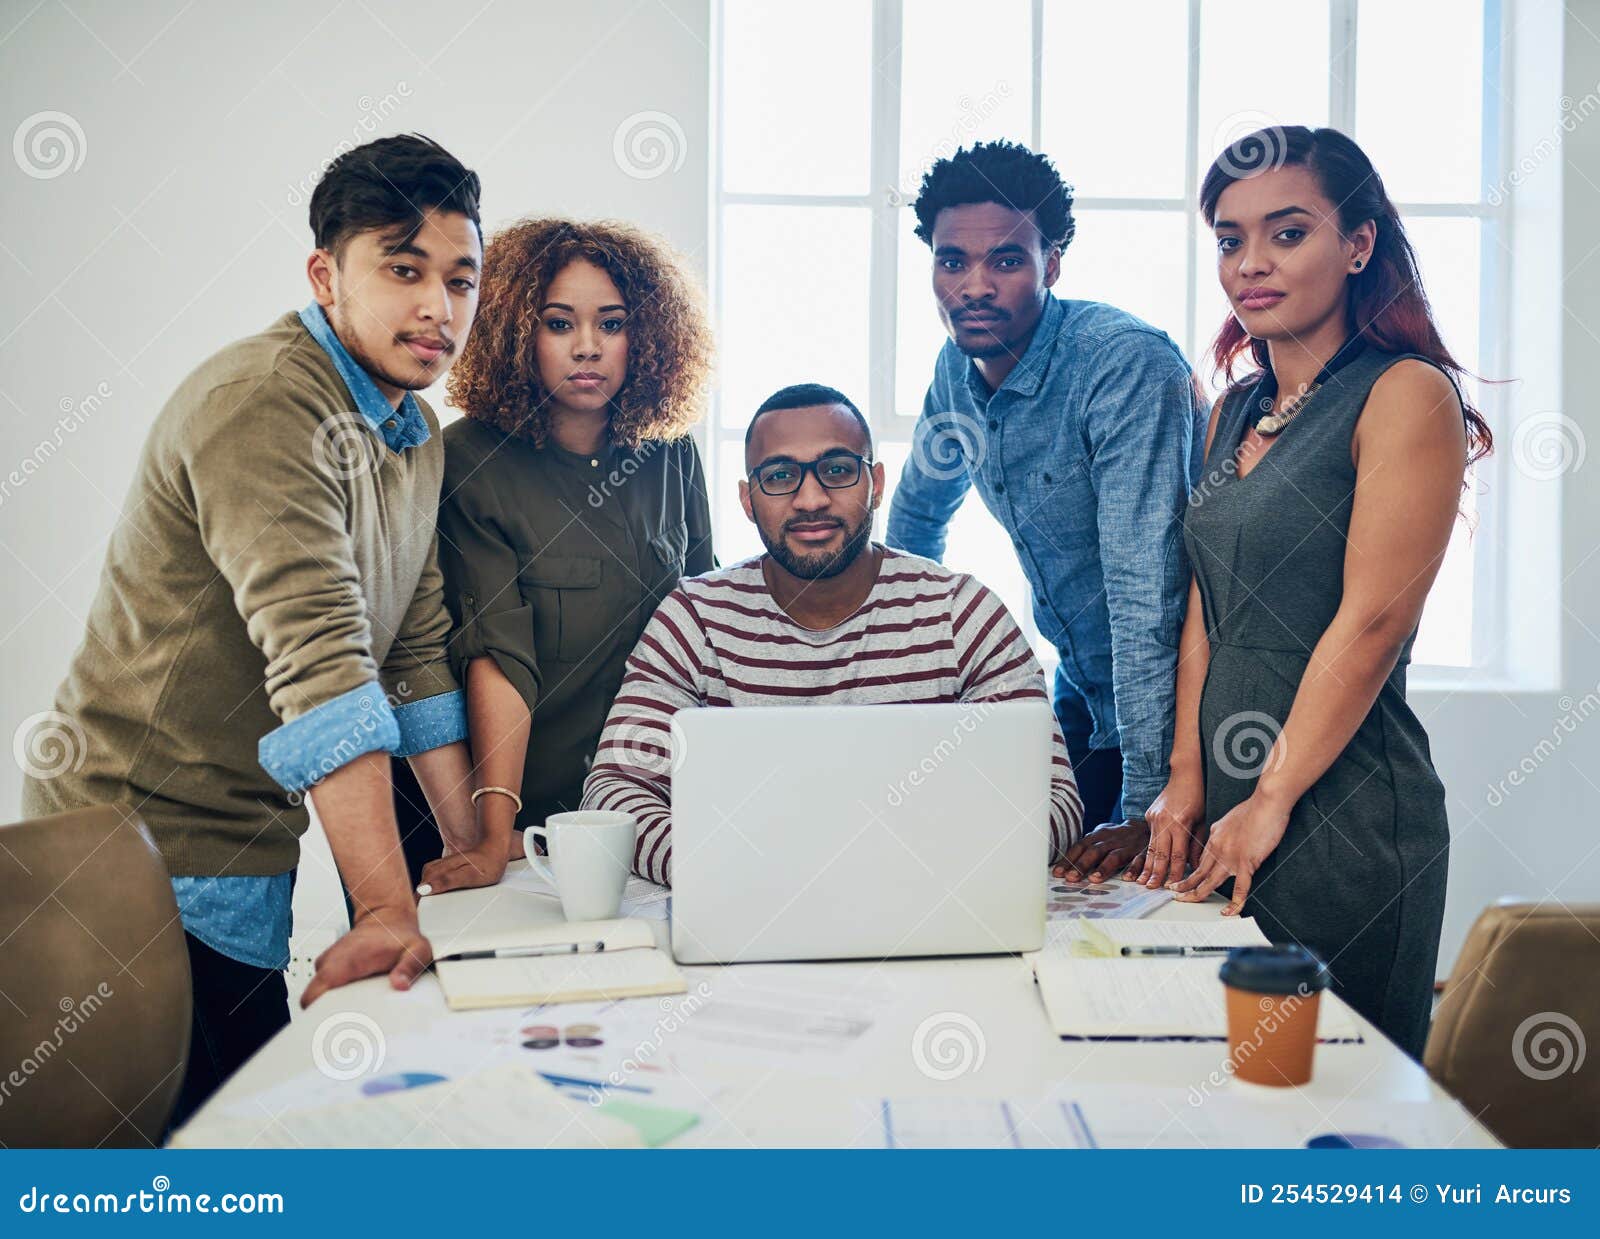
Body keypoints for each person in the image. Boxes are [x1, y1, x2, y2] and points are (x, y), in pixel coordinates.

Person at [20, 134, 490, 1123]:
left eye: (460, 279)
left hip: (244, 852)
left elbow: (412, 655)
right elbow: (324, 668)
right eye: (403, 270)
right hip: (128, 857)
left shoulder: (411, 432)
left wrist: (473, 850)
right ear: (326, 276)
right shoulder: (265, 402)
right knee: (166, 1158)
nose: (439, 308)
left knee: (245, 1130)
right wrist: (384, 907)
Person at [1061, 126, 1492, 1058]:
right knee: (1212, 1076)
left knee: (1335, 1089)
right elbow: (1204, 609)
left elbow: (1374, 622)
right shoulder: (1233, 410)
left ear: (1359, 244)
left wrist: (1271, 797)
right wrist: (1184, 783)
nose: (1251, 263)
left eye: (1288, 233)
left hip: (1340, 815)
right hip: (1226, 805)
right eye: (1230, 239)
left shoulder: (1405, 394)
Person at [581, 383, 1083, 885]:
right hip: (743, 902)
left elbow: (1052, 797)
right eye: (780, 476)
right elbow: (613, 793)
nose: (811, 499)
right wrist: (732, 872)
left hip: (926, 900)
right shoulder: (695, 618)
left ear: (876, 484)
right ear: (747, 500)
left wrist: (905, 869)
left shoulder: (961, 614)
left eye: (838, 470)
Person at [886, 140, 1206, 838]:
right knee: (1026, 868)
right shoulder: (955, 369)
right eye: (952, 262)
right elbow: (915, 523)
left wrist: (1145, 809)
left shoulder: (1121, 365)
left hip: (1187, 717)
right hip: (1081, 690)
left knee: (1144, 894)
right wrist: (903, 687)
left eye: (1005, 261)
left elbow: (1145, 593)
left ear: (1051, 264)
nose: (973, 287)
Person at [392, 219, 716, 897]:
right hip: (496, 813)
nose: (588, 346)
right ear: (517, 332)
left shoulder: (673, 451)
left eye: (612, 324)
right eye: (559, 323)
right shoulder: (469, 463)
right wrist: (490, 837)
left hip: (635, 811)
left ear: (647, 335)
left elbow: (704, 628)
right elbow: (498, 656)